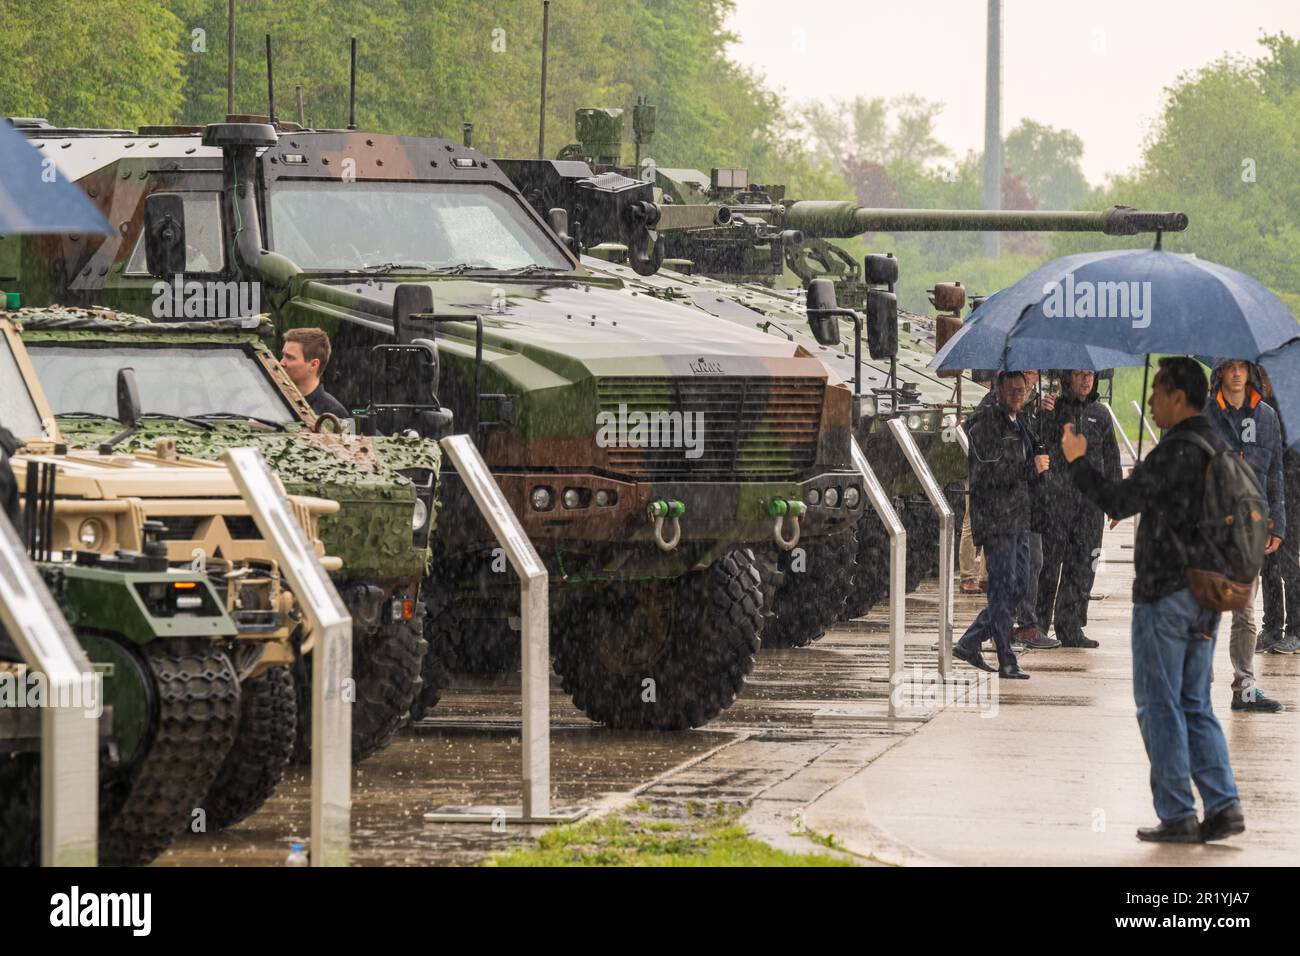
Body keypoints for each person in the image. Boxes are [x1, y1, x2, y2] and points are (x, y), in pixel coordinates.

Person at [1062, 357, 1244, 842]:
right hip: (1208, 594)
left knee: (1158, 704)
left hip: (1165, 595)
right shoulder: (1215, 443)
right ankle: (1223, 804)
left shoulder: (1176, 450)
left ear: (1179, 398)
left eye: (1158, 392)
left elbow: (1119, 502)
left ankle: (1178, 812)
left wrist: (1077, 460)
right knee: (1194, 702)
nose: (1151, 401)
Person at [952, 370, 1049, 679]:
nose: (1018, 396)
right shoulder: (984, 426)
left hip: (1018, 517)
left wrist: (1039, 456)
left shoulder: (1018, 423)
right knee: (1003, 587)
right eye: (1013, 391)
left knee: (1018, 586)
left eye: (1023, 391)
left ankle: (971, 639)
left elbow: (1030, 457)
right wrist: (1027, 467)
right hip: (996, 519)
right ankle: (1006, 658)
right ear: (999, 391)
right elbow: (988, 475)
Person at [1203, 359, 1285, 713]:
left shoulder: (1265, 416)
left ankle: (1245, 685)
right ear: (1220, 372)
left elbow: (1275, 474)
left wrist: (1277, 522)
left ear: (1249, 372)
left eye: (1242, 366)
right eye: (1229, 367)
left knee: (1245, 610)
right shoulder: (1202, 415)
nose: (1236, 373)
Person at [1034, 369, 1121, 648]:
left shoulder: (1101, 414)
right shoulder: (1053, 409)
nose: (1086, 381)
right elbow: (1038, 445)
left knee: (1084, 565)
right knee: (1048, 566)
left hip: (1091, 504)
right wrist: (1043, 415)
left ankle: (1070, 626)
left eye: (1090, 376)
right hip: (1057, 500)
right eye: (1080, 375)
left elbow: (1111, 457)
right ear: (1067, 378)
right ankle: (1037, 624)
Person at [1257, 367, 1300, 655]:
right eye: (1261, 378)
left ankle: (1296, 630)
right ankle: (1271, 626)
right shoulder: (1258, 412)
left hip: (1291, 498)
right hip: (1266, 499)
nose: (1265, 384)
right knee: (1267, 565)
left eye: (1270, 377)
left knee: (1287, 563)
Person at [280, 327, 350, 420]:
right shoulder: (274, 400)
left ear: (313, 364)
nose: (281, 363)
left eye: (290, 357)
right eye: (283, 356)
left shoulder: (333, 412)